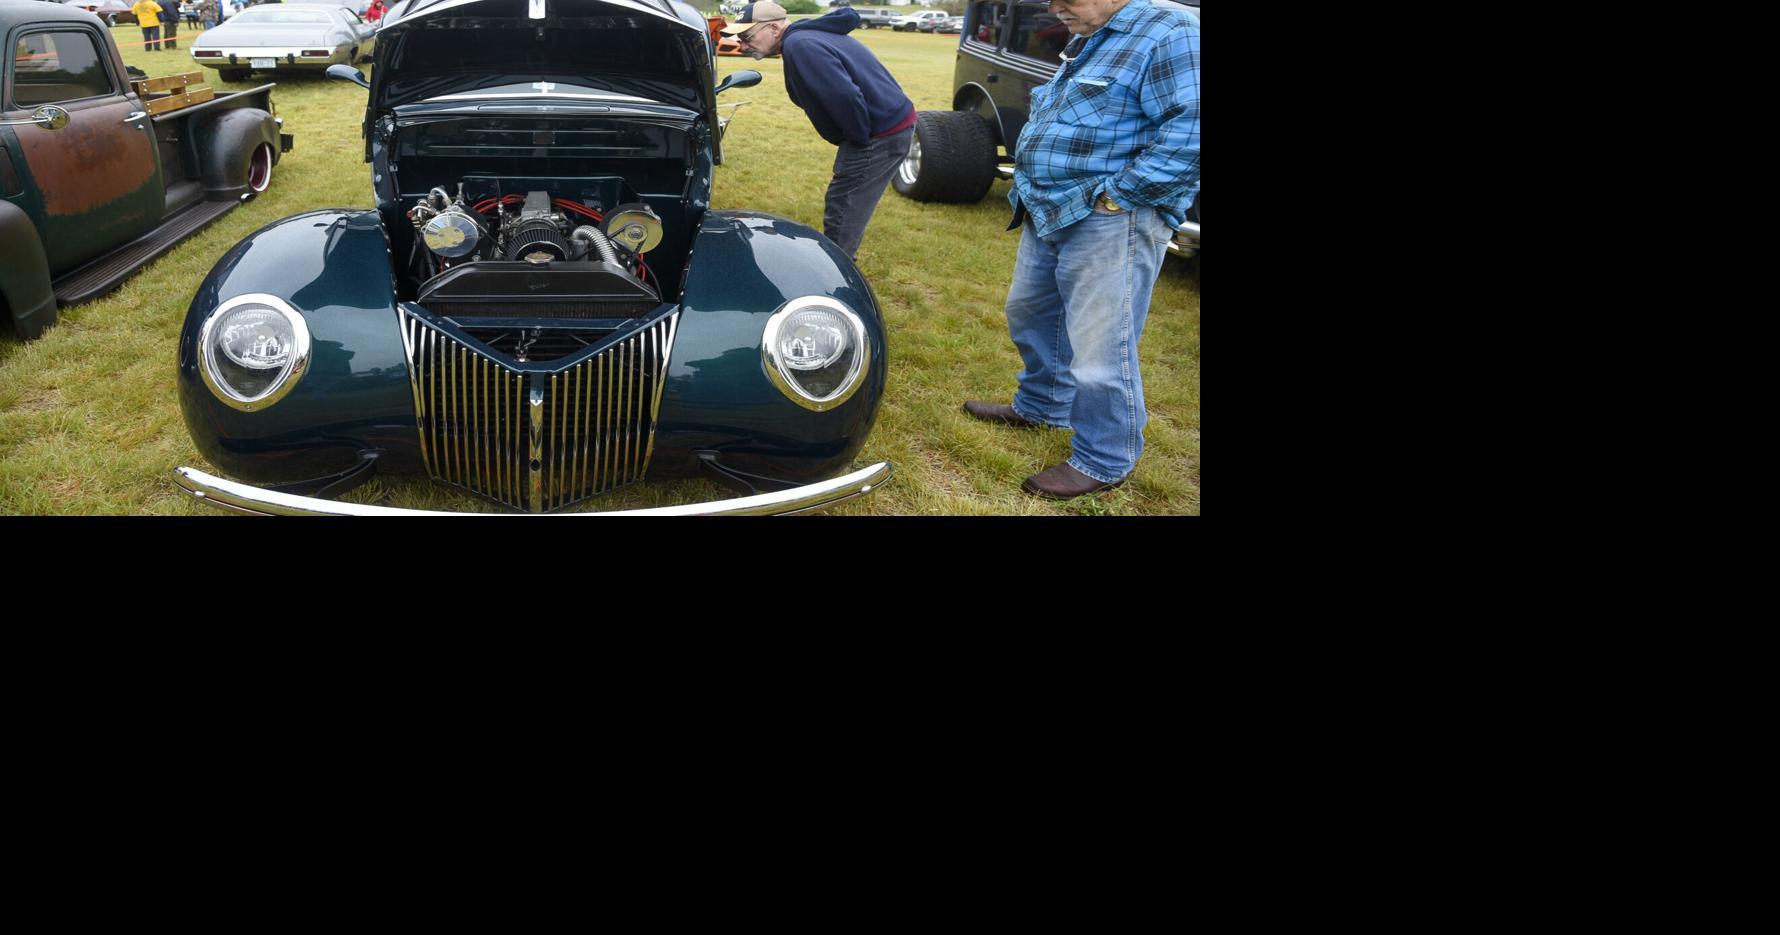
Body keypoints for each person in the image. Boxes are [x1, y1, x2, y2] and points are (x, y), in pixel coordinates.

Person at [962, 0, 1198, 499]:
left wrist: (1122, 196)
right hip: (1049, 206)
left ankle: (1105, 457)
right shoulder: (1094, 29)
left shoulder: (1171, 30)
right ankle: (1043, 403)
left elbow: (1192, 130)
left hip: (1112, 216)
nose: (1053, 6)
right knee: (1030, 311)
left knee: (1100, 347)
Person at [723, 2, 915, 260]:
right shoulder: (805, 38)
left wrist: (858, 140)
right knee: (844, 202)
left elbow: (844, 96)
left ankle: (837, 278)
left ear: (774, 27)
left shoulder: (800, 45)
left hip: (878, 134)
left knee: (844, 206)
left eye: (747, 36)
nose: (743, 45)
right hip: (886, 126)